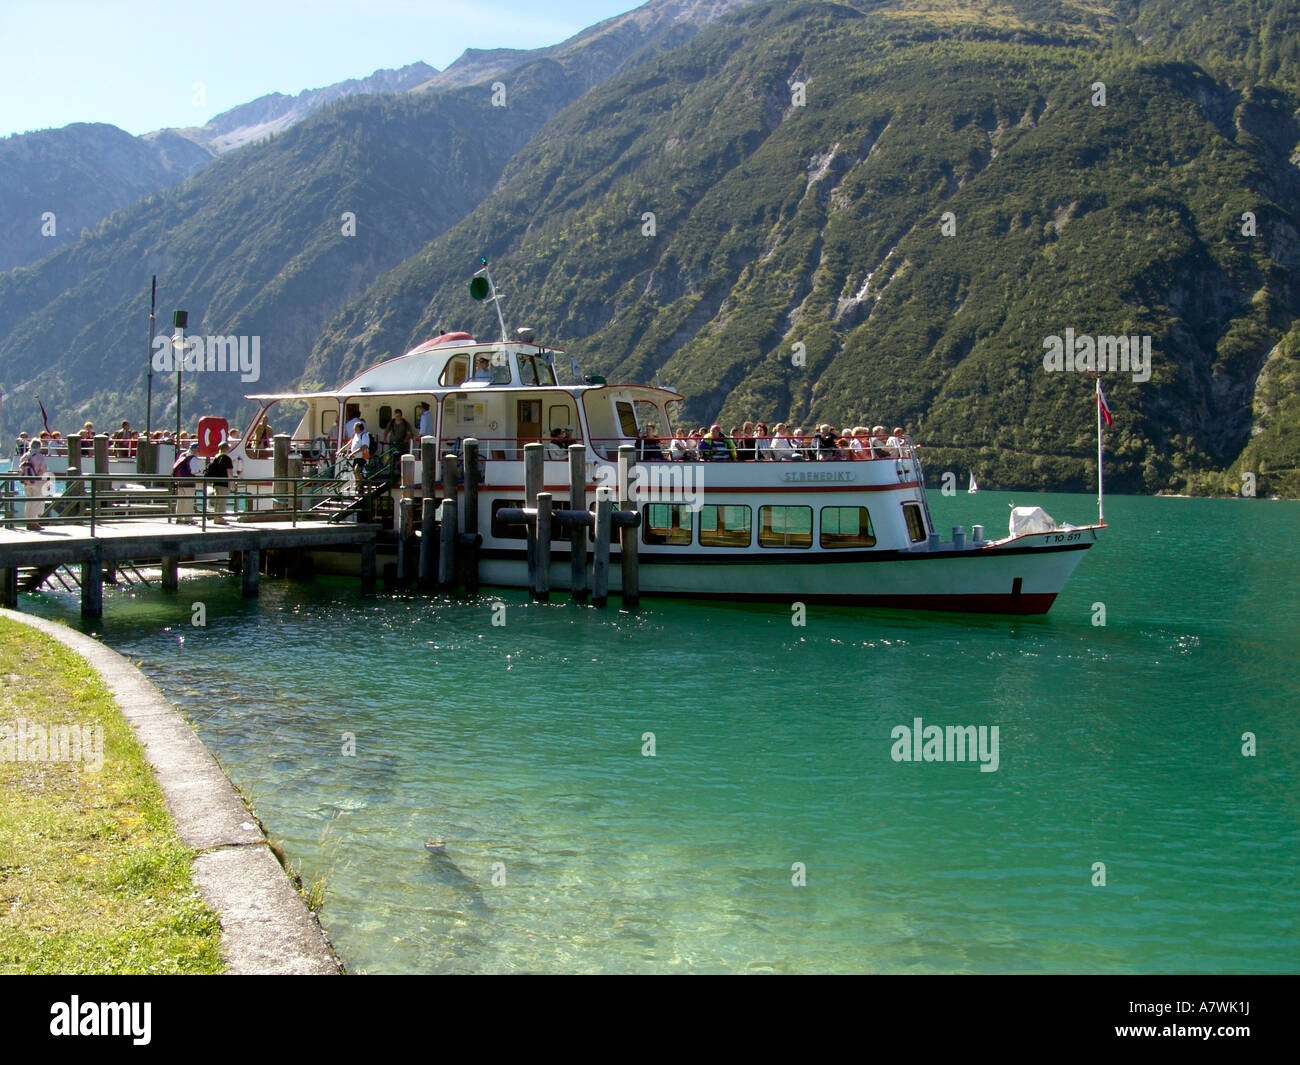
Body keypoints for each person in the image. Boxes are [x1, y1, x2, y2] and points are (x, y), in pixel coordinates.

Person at [18, 440, 48, 530]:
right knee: (36, 501)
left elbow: (20, 468)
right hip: (37, 481)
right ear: (39, 446)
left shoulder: (25, 456)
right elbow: (43, 470)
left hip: (26, 481)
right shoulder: (39, 456)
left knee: (28, 501)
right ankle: (34, 522)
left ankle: (28, 521)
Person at [203, 442, 236, 524]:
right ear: (227, 449)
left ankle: (216, 517)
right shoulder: (227, 458)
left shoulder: (216, 457)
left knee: (218, 500)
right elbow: (229, 472)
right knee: (222, 501)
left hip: (216, 482)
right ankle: (219, 518)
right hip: (224, 483)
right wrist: (232, 483)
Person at [339, 420, 371, 487]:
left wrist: (352, 453)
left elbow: (364, 447)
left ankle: (362, 484)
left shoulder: (364, 435)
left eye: (355, 428)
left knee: (356, 470)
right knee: (355, 472)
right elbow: (349, 444)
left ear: (359, 428)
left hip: (363, 457)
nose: (354, 429)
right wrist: (340, 451)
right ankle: (359, 487)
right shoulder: (355, 435)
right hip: (356, 457)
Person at [171, 445, 198, 523]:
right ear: (195, 449)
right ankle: (188, 519)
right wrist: (199, 471)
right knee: (189, 501)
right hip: (189, 481)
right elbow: (193, 471)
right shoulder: (192, 457)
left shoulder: (182, 455)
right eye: (198, 450)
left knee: (180, 500)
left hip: (180, 481)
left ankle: (179, 518)